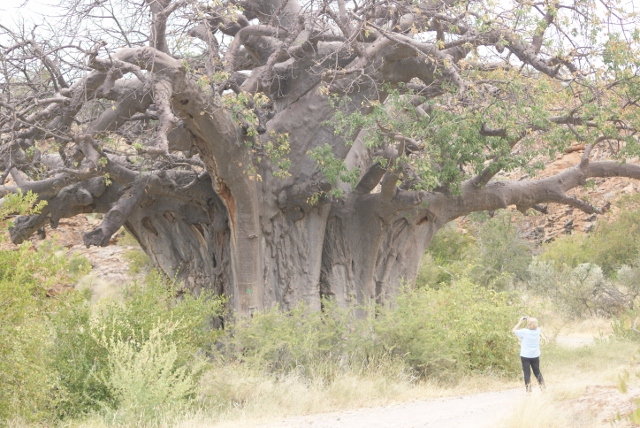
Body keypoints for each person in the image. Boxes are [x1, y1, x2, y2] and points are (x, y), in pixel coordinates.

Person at [512, 316, 545, 392]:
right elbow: (535, 326)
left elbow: (513, 330)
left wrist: (520, 322)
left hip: (525, 355)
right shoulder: (538, 331)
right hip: (535, 355)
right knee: (537, 372)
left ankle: (528, 390)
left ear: (528, 324)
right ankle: (543, 388)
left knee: (527, 372)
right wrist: (530, 319)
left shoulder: (524, 332)